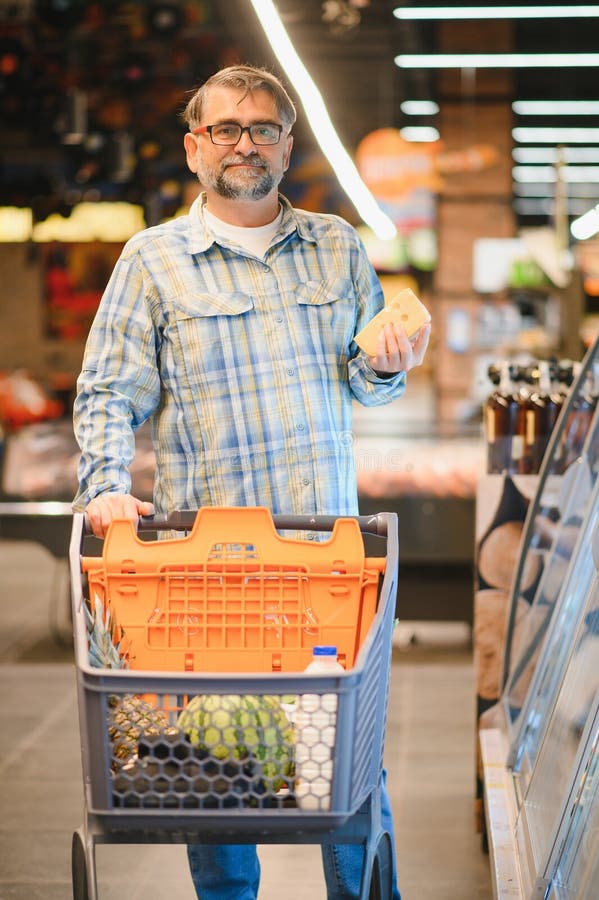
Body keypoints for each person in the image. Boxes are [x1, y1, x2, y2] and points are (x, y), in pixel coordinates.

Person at [73, 64, 430, 900]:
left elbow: (367, 374)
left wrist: (389, 363)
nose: (245, 143)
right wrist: (103, 483)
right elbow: (107, 390)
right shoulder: (154, 261)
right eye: (226, 129)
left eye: (262, 128)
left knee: (346, 767)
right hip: (210, 568)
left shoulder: (337, 246)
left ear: (286, 145)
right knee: (220, 768)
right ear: (196, 147)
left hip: (326, 562)